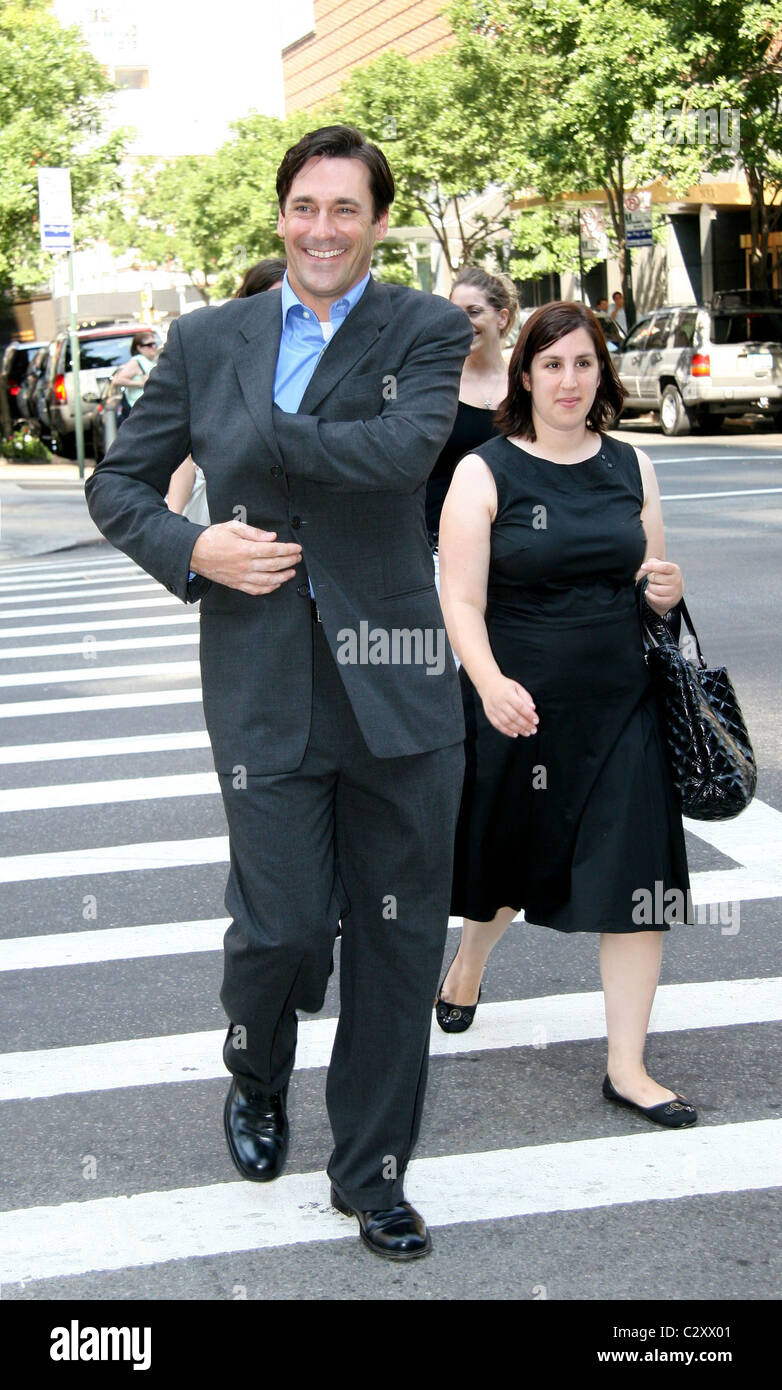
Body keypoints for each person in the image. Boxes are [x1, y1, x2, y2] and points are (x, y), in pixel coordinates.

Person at [85, 124, 473, 1260]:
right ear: (280, 213)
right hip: (260, 678)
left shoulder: (427, 327)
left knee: (398, 941)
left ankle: (374, 1175)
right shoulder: (210, 338)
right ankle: (255, 1068)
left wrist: (256, 433)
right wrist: (193, 550)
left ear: (377, 222)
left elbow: (401, 454)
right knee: (284, 923)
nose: (321, 228)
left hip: (398, 685)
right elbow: (118, 481)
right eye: (304, 206)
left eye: (344, 209)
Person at [436, 300, 697, 1130]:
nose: (569, 380)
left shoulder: (632, 466)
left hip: (623, 703)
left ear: (602, 374)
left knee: (636, 879)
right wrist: (487, 683)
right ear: (524, 374)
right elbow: (461, 598)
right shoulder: (484, 471)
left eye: (584, 363)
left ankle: (628, 1065)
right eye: (552, 364)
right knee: (511, 868)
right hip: (522, 706)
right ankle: (469, 961)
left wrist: (665, 589)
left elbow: (648, 575)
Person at [167, 261, 288, 523]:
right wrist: (174, 520)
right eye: (269, 300)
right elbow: (185, 454)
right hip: (229, 515)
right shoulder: (217, 360)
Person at [426, 267, 517, 575]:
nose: (463, 322)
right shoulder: (435, 383)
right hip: (442, 553)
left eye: (474, 311)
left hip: (515, 551)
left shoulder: (529, 386)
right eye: (455, 313)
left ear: (502, 317)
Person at [110, 331, 160, 409]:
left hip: (147, 406)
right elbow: (118, 380)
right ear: (139, 347)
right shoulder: (137, 361)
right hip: (137, 407)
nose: (153, 347)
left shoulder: (149, 361)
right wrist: (140, 383)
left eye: (154, 344)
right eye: (149, 345)